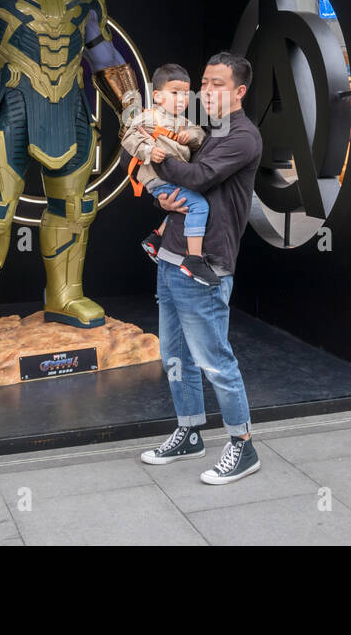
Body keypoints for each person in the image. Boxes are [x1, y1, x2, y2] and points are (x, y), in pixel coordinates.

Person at [139, 52, 264, 485]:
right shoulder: (210, 132)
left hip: (205, 264)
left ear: (240, 92)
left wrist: (157, 155)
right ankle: (190, 430)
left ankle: (242, 445)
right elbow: (176, 185)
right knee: (174, 355)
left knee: (213, 359)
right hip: (171, 258)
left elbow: (198, 178)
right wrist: (160, 195)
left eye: (218, 85)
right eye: (204, 83)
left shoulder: (243, 137)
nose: (207, 92)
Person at [122, 64, 219, 286]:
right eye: (175, 93)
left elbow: (200, 135)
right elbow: (129, 138)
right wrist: (148, 150)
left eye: (186, 94)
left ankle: (156, 238)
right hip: (159, 178)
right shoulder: (149, 117)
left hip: (174, 178)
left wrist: (189, 136)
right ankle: (193, 259)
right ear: (157, 95)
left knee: (183, 204)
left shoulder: (183, 121)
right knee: (199, 206)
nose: (181, 99)